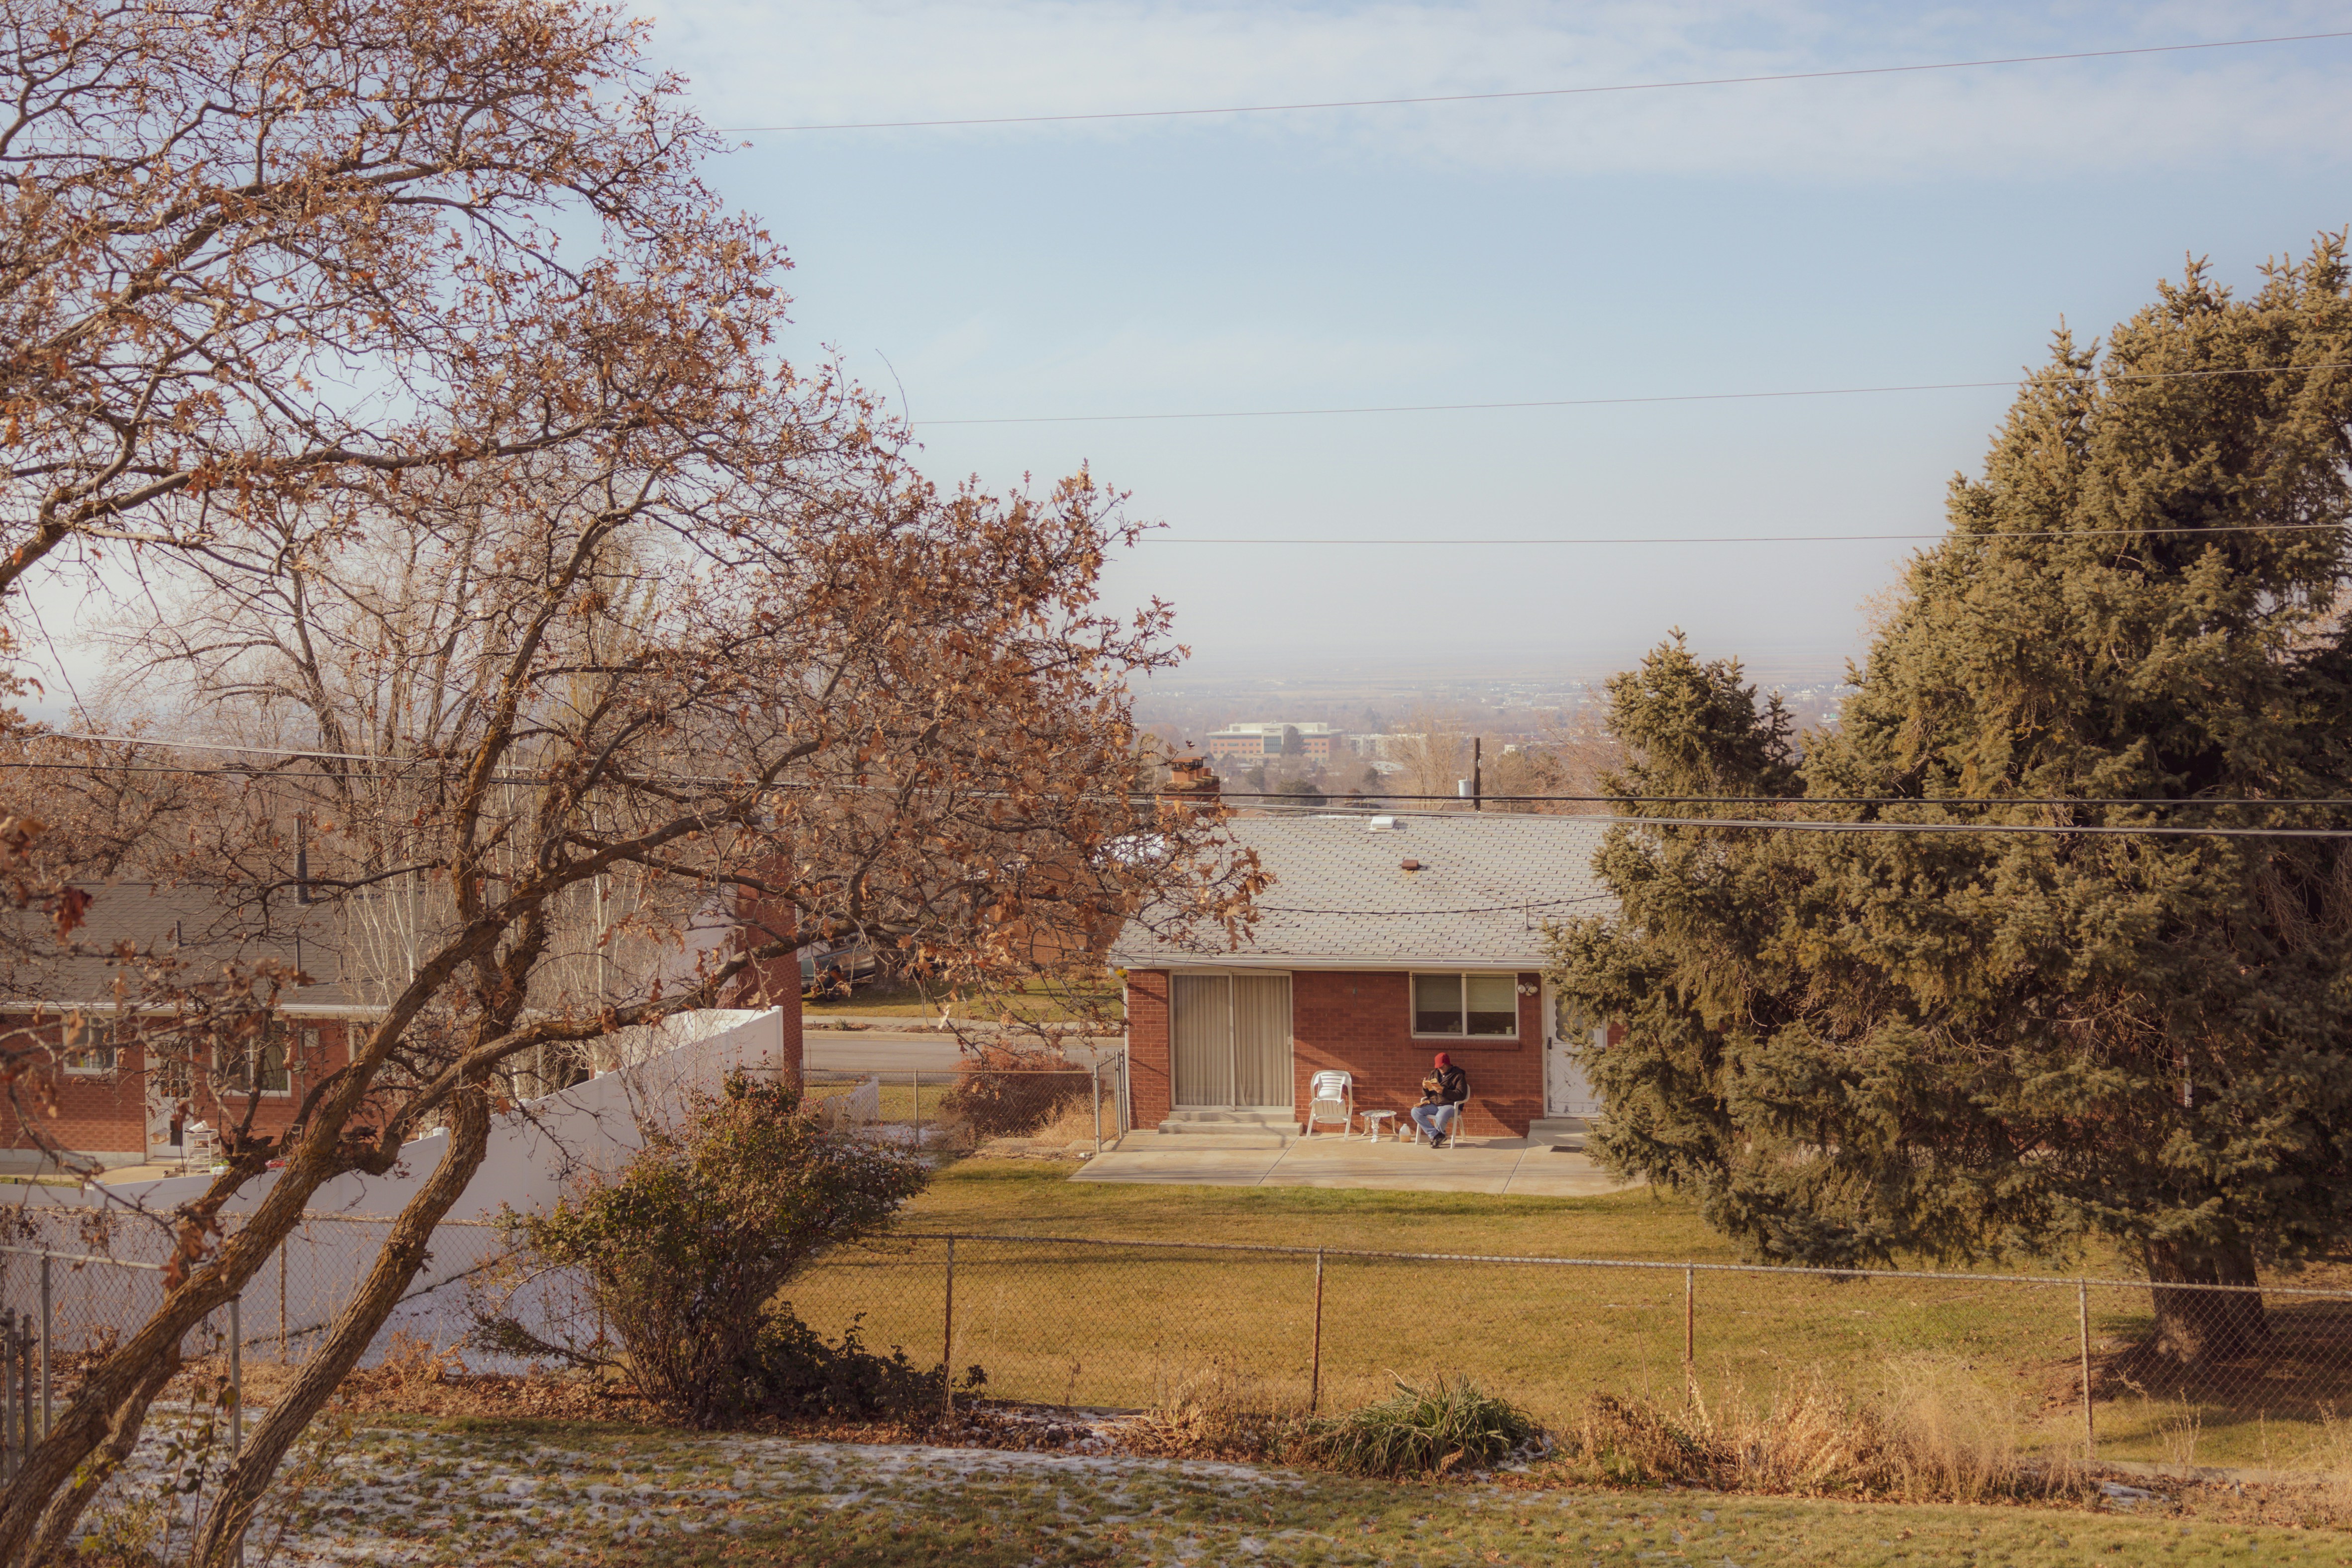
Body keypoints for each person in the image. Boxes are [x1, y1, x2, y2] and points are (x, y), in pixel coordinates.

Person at [1411, 1052, 1468, 1146]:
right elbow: (1428, 1094)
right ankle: (1436, 1135)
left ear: (1448, 1064)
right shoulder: (1434, 1073)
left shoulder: (1458, 1076)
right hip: (1434, 1104)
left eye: (1442, 1066)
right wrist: (1425, 1088)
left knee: (1440, 1117)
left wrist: (1443, 1091)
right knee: (1415, 1111)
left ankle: (1437, 1138)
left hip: (1450, 1105)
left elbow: (1461, 1095)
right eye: (1438, 1066)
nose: (1440, 1068)